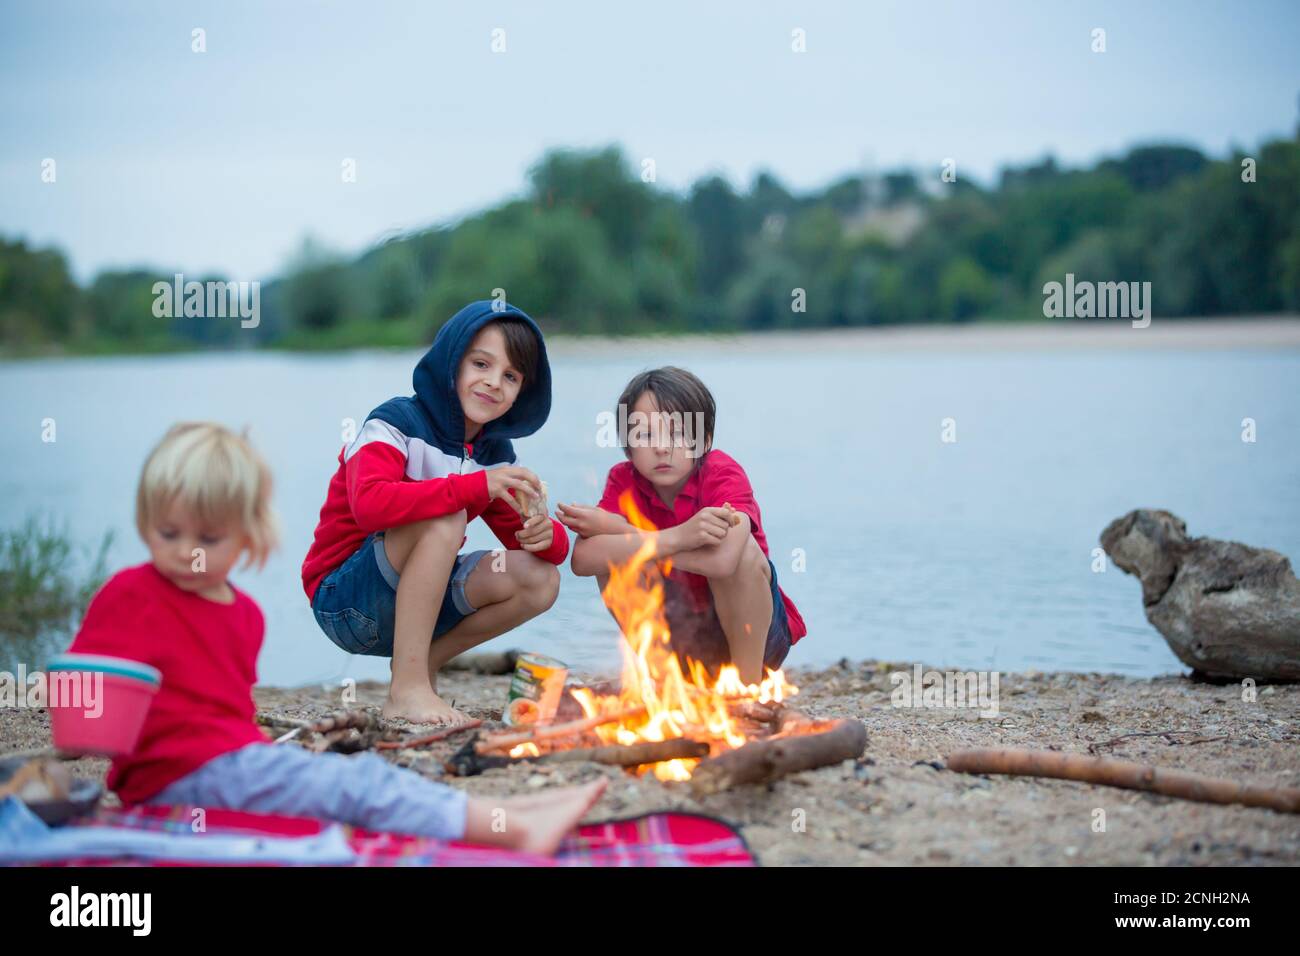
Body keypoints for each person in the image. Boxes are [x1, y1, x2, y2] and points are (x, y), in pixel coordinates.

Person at [67, 422, 604, 853]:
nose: (188, 550)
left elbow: (226, 716)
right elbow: (82, 704)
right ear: (144, 521)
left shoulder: (245, 615)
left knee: (350, 777)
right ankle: (507, 828)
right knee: (358, 786)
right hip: (179, 778)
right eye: (169, 533)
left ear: (248, 536)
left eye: (209, 538)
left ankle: (509, 813)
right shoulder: (129, 595)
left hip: (231, 762)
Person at [302, 301, 570, 726]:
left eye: (511, 376)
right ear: (451, 362)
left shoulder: (491, 453)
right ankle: (406, 691)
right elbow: (370, 506)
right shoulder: (395, 422)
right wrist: (475, 488)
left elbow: (539, 551)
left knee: (541, 580)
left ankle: (420, 667)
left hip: (418, 605)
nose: (493, 383)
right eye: (481, 364)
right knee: (447, 516)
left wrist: (547, 535)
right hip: (346, 601)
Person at [558, 367, 806, 684]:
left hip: (753, 638)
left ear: (704, 440)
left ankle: (746, 691)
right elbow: (583, 560)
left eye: (677, 434)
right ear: (627, 446)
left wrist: (625, 532)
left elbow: (723, 561)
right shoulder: (623, 479)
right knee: (610, 558)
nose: (662, 448)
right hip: (679, 635)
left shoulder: (721, 473)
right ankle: (666, 681)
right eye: (645, 435)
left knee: (744, 552)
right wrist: (678, 538)